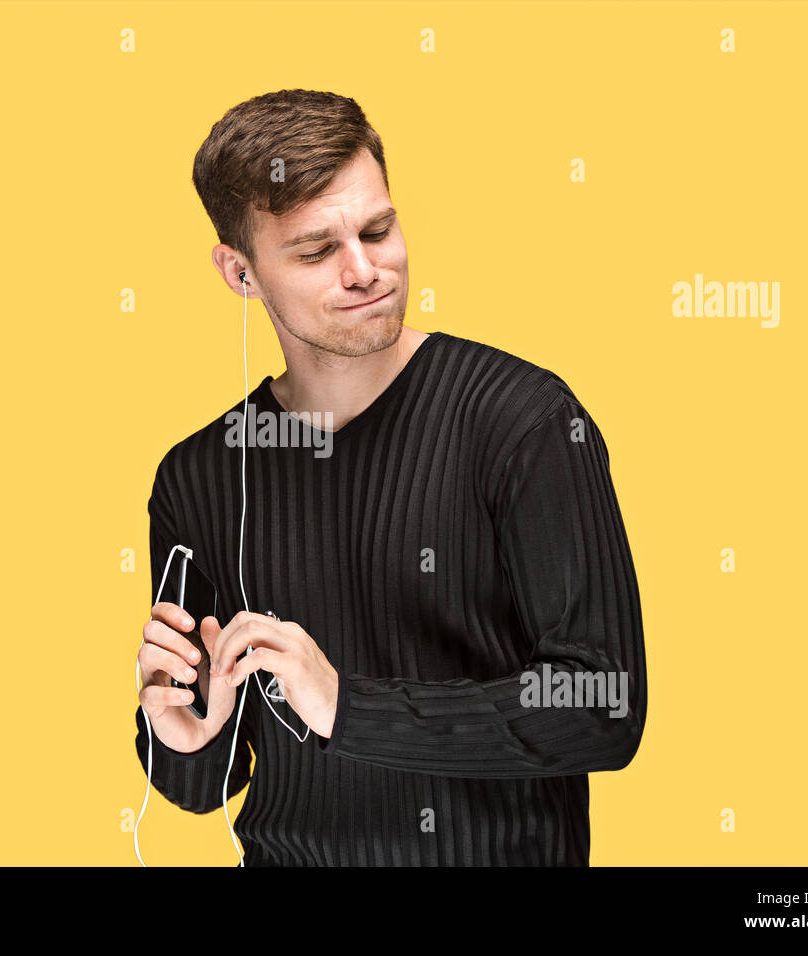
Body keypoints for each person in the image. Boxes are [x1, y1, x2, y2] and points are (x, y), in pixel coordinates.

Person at [134, 89, 646, 866]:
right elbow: (205, 784)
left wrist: (350, 707)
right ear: (239, 271)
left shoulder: (525, 422)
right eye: (316, 251)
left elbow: (603, 705)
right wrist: (178, 735)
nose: (366, 270)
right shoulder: (199, 477)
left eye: (378, 229)